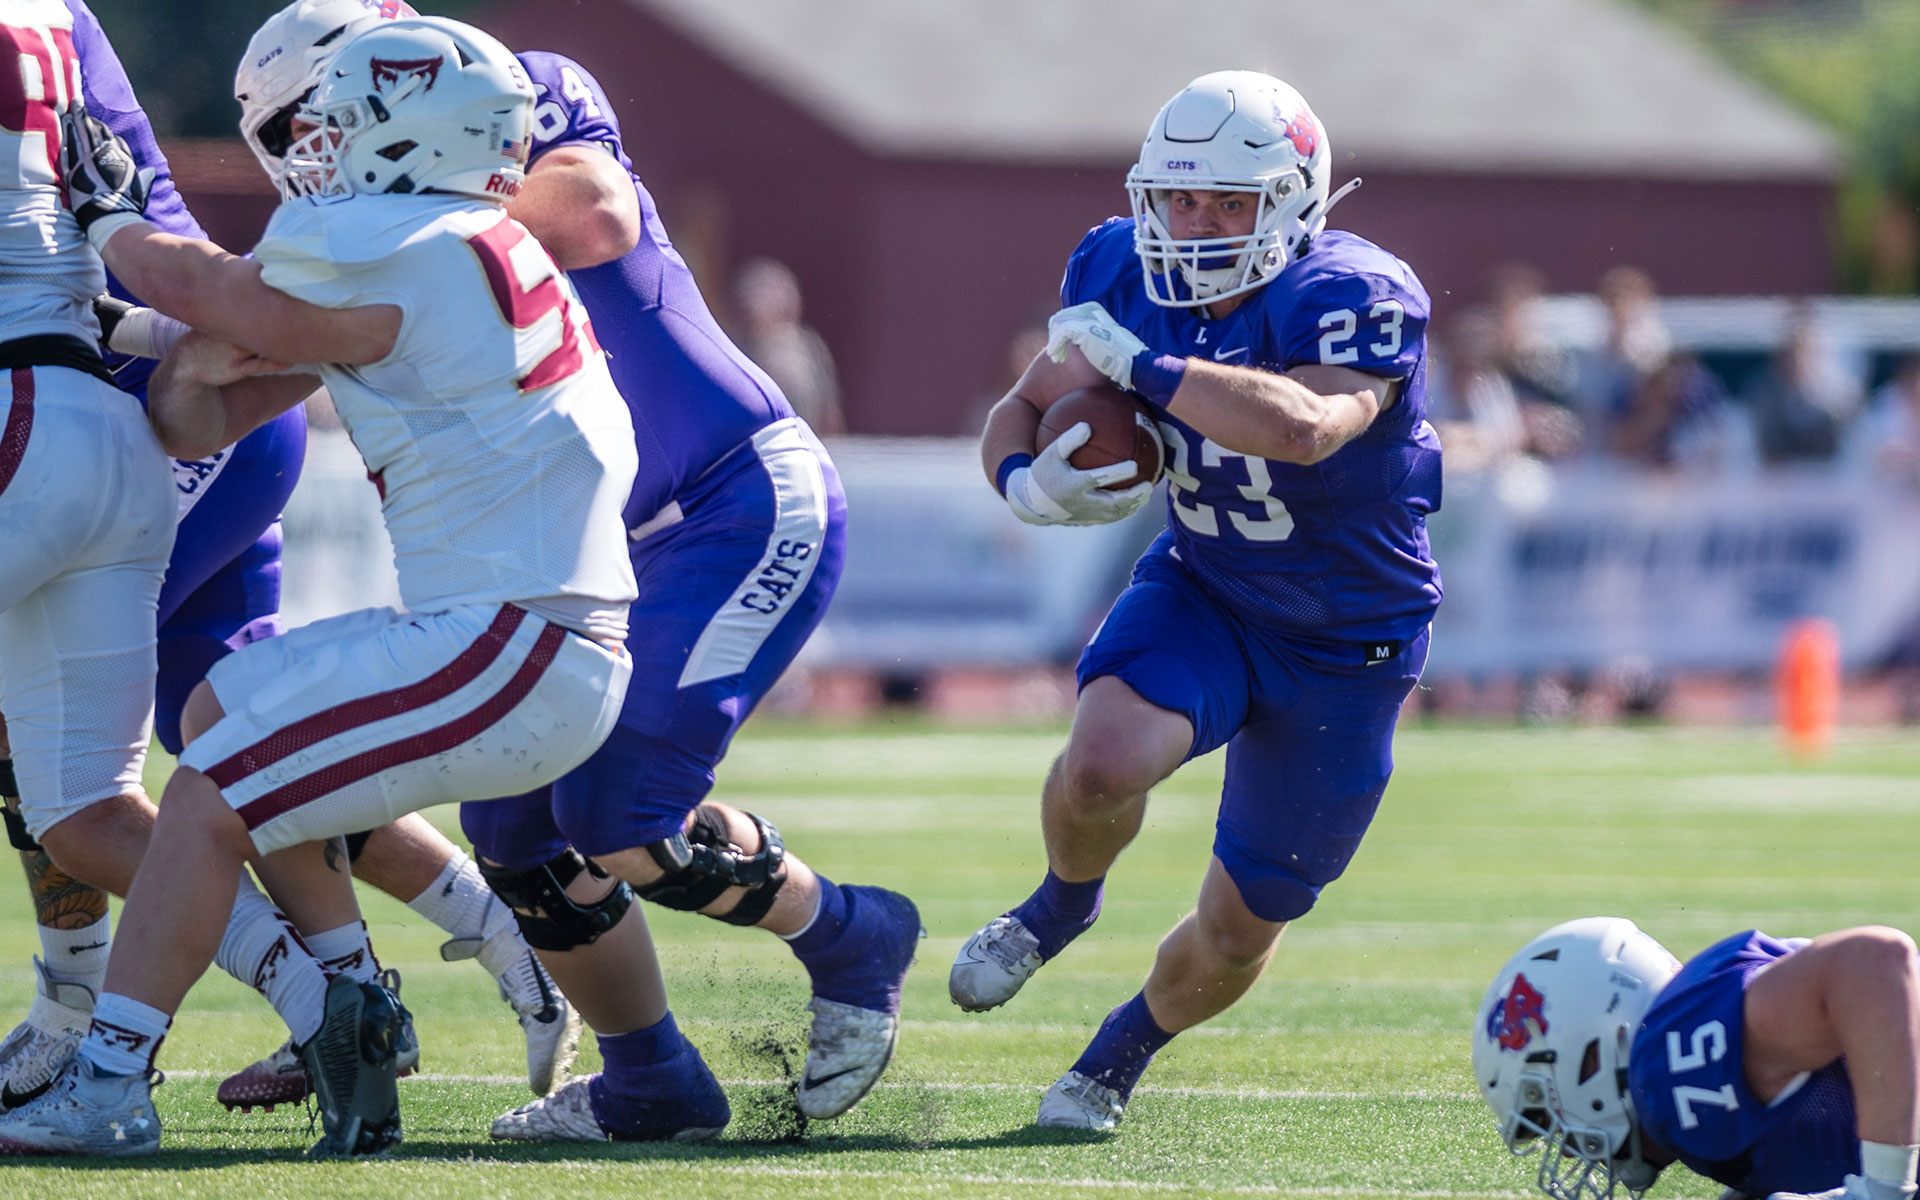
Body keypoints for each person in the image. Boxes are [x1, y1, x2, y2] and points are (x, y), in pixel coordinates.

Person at [227, 5, 920, 1141]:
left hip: (730, 496)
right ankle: (653, 1082)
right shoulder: (361, 233)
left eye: (324, 118)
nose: (316, 150)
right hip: (594, 552)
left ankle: (850, 931)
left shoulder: (503, 89)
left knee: (619, 812)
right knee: (514, 832)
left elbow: (596, 210)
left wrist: (414, 220)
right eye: (294, 133)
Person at [0, 17, 637, 1156]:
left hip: (512, 640)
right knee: (221, 713)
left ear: (413, 134)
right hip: (513, 634)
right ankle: (351, 1004)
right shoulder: (454, 245)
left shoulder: (392, 235)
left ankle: (107, 1082)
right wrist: (184, 327)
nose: (317, 147)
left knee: (212, 792)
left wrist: (109, 223)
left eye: (341, 123)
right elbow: (194, 406)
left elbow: (207, 293)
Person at [952, 70, 1441, 1130]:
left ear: (1294, 203)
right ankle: (1058, 908)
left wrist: (1150, 368)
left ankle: (1117, 1055)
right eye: (1181, 198)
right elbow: (1023, 404)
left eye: (1229, 202)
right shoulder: (1119, 269)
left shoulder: (1351, 292)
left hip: (1348, 640)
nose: (1197, 223)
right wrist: (1023, 483)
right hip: (1210, 588)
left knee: (1238, 928)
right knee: (1101, 762)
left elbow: (1307, 427)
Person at [1475, 916, 1919, 1200]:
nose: (1568, 1151)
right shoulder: (1688, 1093)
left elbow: (1875, 958)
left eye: (1543, 1108)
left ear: (1592, 1055)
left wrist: (1884, 1188)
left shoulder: (1666, 1063)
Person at [733, 257, 846, 435]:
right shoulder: (738, 347)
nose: (754, 300)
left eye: (766, 291)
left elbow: (830, 412)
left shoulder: (810, 344)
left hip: (806, 439)